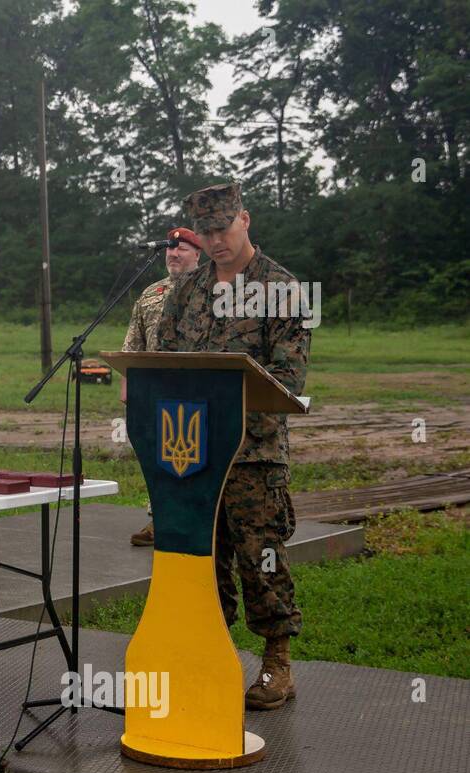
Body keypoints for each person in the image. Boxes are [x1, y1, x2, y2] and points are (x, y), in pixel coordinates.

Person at [154, 183, 311, 710]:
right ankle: (207, 653)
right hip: (191, 448)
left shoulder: (281, 288)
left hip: (252, 451)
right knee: (202, 558)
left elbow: (288, 375)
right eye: (207, 232)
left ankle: (277, 663)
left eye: (224, 228)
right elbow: (167, 358)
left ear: (246, 219)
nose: (215, 240)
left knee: (259, 554)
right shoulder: (188, 289)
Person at [121, 226, 202, 547]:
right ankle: (160, 521)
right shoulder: (151, 294)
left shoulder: (214, 291)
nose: (173, 253)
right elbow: (133, 344)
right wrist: (128, 384)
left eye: (182, 248)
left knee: (193, 458)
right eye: (170, 248)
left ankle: (197, 522)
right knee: (158, 458)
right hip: (155, 391)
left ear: (198, 253)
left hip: (197, 390)